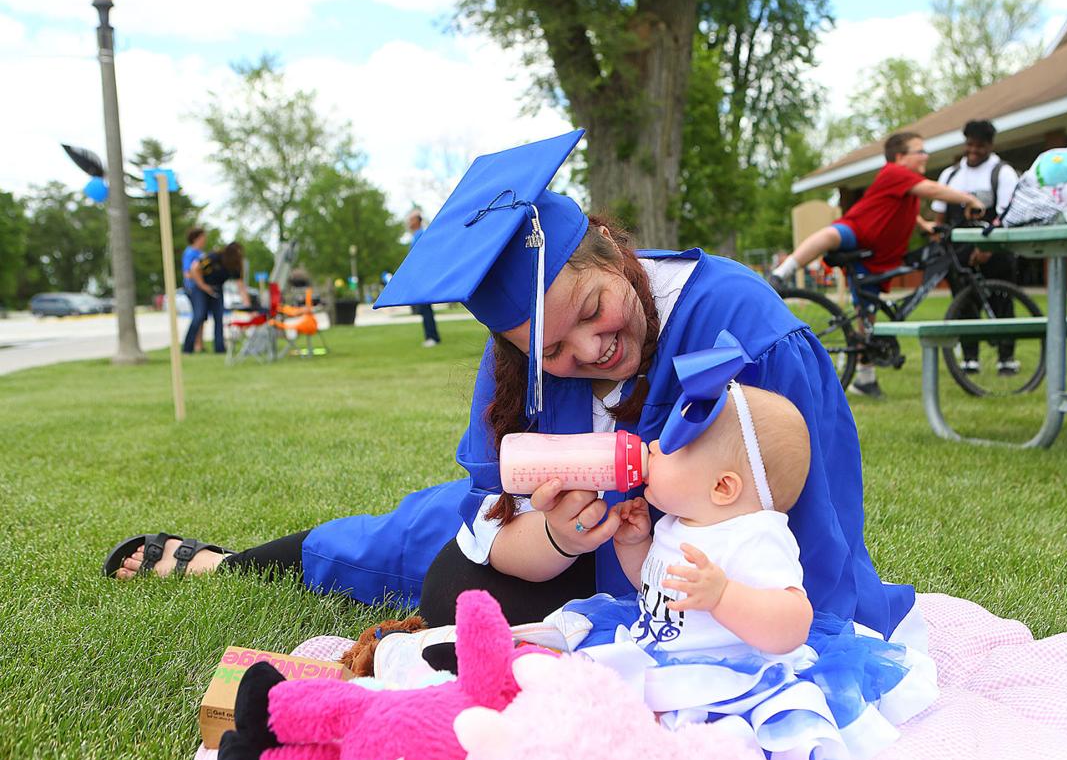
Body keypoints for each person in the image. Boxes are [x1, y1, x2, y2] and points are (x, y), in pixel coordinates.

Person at [107, 131, 925, 672]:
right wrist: (553, 530)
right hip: (560, 558)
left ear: (613, 252)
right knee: (416, 536)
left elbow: (810, 520)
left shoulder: (742, 325)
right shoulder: (518, 363)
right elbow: (488, 508)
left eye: (594, 313)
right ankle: (227, 563)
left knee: (433, 557)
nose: (588, 352)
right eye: (553, 351)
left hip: (697, 580)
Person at [553, 348, 935, 760]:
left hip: (726, 675)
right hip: (659, 652)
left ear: (723, 487)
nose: (654, 446)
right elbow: (656, 590)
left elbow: (792, 621)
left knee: (710, 741)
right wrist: (634, 547)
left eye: (674, 447)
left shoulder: (755, 537)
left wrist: (723, 596)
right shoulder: (676, 522)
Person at [771, 132, 987, 398]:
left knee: (867, 320)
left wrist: (925, 225)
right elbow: (932, 189)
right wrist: (969, 198)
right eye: (919, 151)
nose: (925, 155)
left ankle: (864, 379)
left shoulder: (905, 186)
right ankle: (782, 273)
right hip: (860, 232)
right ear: (900, 157)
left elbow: (908, 210)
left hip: (876, 256)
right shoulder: (894, 172)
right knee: (830, 235)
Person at [932, 119, 1022, 376]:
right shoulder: (950, 175)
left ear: (990, 146)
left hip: (995, 250)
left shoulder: (1002, 172)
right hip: (959, 253)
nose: (973, 151)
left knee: (1001, 302)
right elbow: (940, 217)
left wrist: (988, 248)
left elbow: (1006, 215)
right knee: (964, 304)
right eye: (969, 145)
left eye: (980, 146)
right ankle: (969, 357)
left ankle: (1006, 358)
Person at [182, 243, 252, 355]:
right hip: (201, 287)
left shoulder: (235, 266)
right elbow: (194, 268)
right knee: (199, 315)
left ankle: (219, 348)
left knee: (219, 318)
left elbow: (241, 287)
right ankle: (187, 348)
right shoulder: (215, 257)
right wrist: (204, 286)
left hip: (217, 289)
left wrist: (248, 306)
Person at [407, 210, 441, 348]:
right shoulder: (415, 236)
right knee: (424, 309)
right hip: (419, 277)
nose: (409, 223)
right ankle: (430, 336)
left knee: (425, 308)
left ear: (418, 221)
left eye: (411, 220)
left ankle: (432, 337)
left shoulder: (421, 235)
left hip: (423, 277)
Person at [181, 227, 207, 352]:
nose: (205, 240)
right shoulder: (190, 252)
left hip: (202, 288)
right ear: (196, 238)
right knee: (198, 315)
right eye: (203, 237)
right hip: (193, 288)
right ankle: (188, 346)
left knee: (202, 317)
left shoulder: (201, 253)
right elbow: (187, 273)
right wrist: (198, 275)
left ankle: (199, 345)